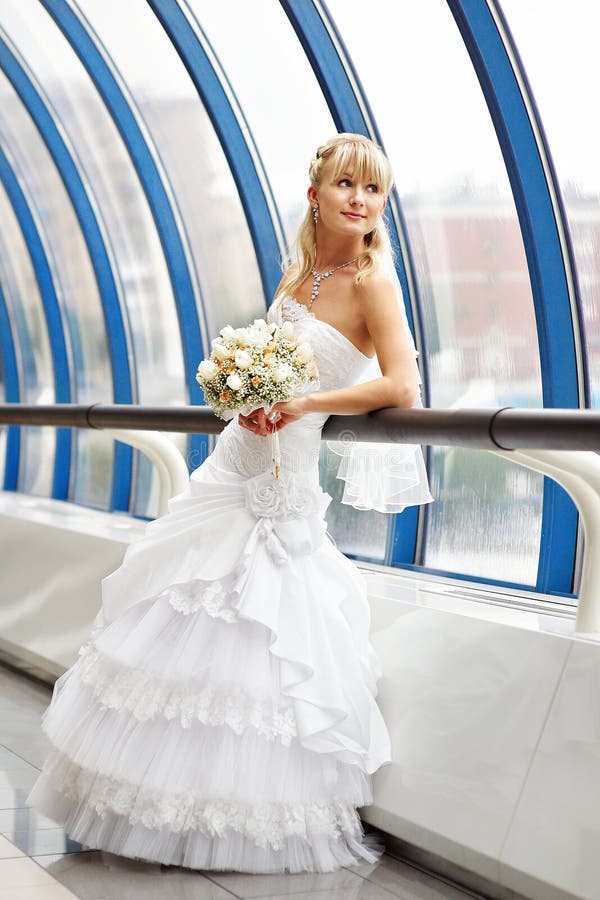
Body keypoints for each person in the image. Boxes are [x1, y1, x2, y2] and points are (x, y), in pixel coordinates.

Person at [26, 133, 432, 874]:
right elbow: (268, 369)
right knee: (179, 611)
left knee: (260, 626)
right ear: (315, 195)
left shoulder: (375, 280)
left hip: (284, 476)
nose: (360, 201)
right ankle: (133, 801)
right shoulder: (299, 276)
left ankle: (239, 818)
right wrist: (244, 398)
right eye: (346, 185)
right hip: (238, 459)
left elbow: (400, 387)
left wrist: (304, 401)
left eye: (373, 190)